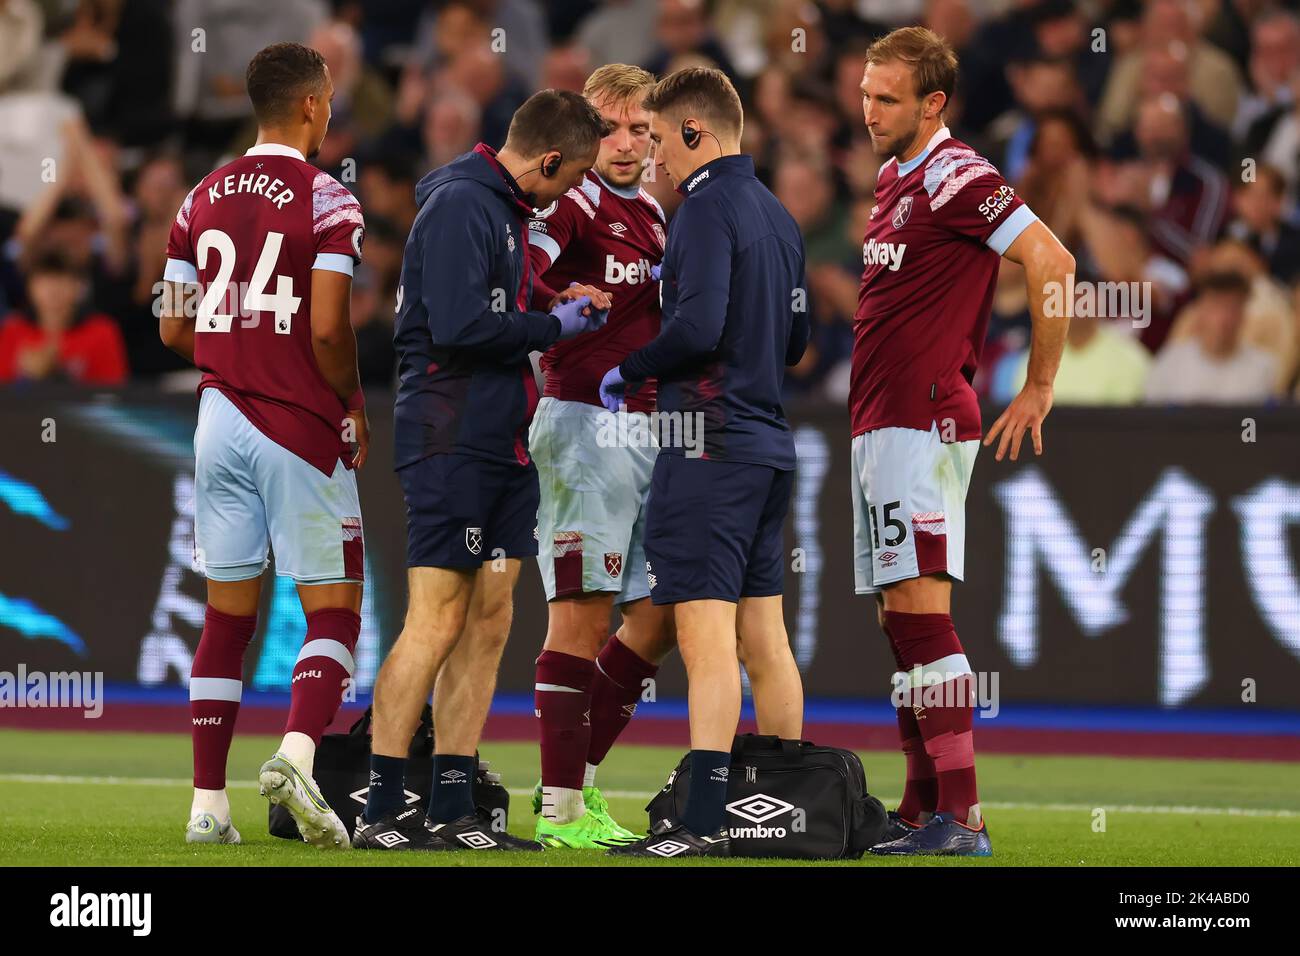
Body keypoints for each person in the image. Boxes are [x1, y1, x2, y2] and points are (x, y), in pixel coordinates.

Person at [354, 89, 611, 853]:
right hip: (451, 435)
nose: (572, 193)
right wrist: (551, 326)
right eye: (574, 176)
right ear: (550, 158)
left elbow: (497, 297)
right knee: (436, 616)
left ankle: (453, 807)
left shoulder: (498, 207)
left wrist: (551, 296)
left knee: (493, 616)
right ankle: (383, 806)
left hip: (503, 441)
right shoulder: (465, 204)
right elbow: (463, 326)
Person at [850, 27, 1074, 856]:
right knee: (900, 620)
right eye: (866, 93)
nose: (869, 110)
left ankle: (964, 816)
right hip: (882, 423)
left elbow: (1052, 259)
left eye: (887, 99)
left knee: (921, 614)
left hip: (925, 418)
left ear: (933, 104)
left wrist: (1041, 385)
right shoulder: (893, 179)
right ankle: (920, 808)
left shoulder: (957, 174)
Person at [159, 42, 369, 849]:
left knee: (227, 616)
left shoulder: (198, 197)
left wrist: (233, 352)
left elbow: (175, 324)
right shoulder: (328, 201)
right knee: (334, 608)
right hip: (298, 425)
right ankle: (296, 754)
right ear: (313, 105)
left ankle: (207, 808)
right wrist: (349, 401)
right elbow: (325, 325)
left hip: (218, 424)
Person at [599, 66, 810, 859]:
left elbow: (697, 325)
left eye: (657, 138)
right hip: (767, 445)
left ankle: (705, 821)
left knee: (705, 636)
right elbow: (798, 341)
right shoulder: (781, 219)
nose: (651, 156)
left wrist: (628, 369)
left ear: (696, 133)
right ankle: (787, 810)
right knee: (767, 637)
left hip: (706, 444)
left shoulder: (703, 209)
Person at [523, 64, 676, 849]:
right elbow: (521, 275)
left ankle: (576, 782)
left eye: (640, 129)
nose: (624, 143)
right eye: (609, 127)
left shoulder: (650, 214)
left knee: (658, 615)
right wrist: (554, 309)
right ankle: (558, 812)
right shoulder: (572, 206)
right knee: (579, 619)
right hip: (584, 424)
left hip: (644, 432)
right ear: (583, 131)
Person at [1144, 270, 1280, 405]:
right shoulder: (1171, 361)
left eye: (1232, 308)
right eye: (1216, 306)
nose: (1224, 318)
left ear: (1243, 314)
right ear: (1200, 310)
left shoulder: (1263, 368)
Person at [0, 249, 127, 385]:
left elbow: (113, 393)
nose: (53, 291)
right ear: (30, 288)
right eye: (45, 282)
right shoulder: (13, 330)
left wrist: (57, 371)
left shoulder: (101, 331)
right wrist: (26, 375)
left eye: (61, 281)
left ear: (79, 288)